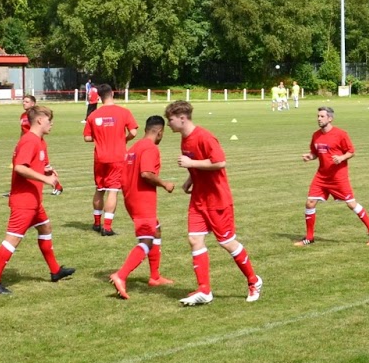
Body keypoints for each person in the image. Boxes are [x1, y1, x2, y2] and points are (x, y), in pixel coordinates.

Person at [167, 99, 261, 306]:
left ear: (182, 119)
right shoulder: (184, 138)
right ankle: (205, 290)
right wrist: (190, 179)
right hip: (199, 199)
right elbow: (200, 165)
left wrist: (191, 163)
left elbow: (220, 162)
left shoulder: (204, 136)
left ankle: (254, 281)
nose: (168, 124)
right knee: (194, 239)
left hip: (217, 199)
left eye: (170, 120)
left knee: (226, 243)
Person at [0, 105, 75, 294]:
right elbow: (20, 168)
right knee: (12, 240)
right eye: (49, 121)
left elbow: (34, 164)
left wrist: (46, 169)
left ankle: (55, 271)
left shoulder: (39, 141)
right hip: (24, 201)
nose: (52, 124)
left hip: (34, 200)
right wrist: (46, 178)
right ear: (40, 120)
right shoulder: (29, 141)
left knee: (45, 227)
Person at [108, 115, 176, 299]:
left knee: (156, 230)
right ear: (159, 132)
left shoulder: (134, 147)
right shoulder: (150, 148)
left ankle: (155, 277)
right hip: (142, 199)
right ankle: (121, 275)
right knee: (146, 240)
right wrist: (164, 184)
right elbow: (146, 173)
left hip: (131, 197)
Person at [296, 106, 369, 246]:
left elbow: (351, 152)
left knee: (351, 204)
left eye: (322, 116)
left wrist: (341, 158)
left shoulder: (341, 134)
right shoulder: (316, 135)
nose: (319, 119)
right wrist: (310, 156)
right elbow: (315, 153)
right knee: (309, 202)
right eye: (318, 116)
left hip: (338, 177)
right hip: (321, 176)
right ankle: (309, 238)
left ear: (330, 118)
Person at [83, 83, 138, 235]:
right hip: (118, 157)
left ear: (99, 97)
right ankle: (107, 227)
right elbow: (133, 132)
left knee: (99, 190)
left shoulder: (93, 115)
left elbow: (87, 137)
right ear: (112, 94)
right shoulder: (124, 112)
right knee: (113, 191)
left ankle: (96, 223)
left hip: (100, 157)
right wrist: (124, 139)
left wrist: (100, 136)